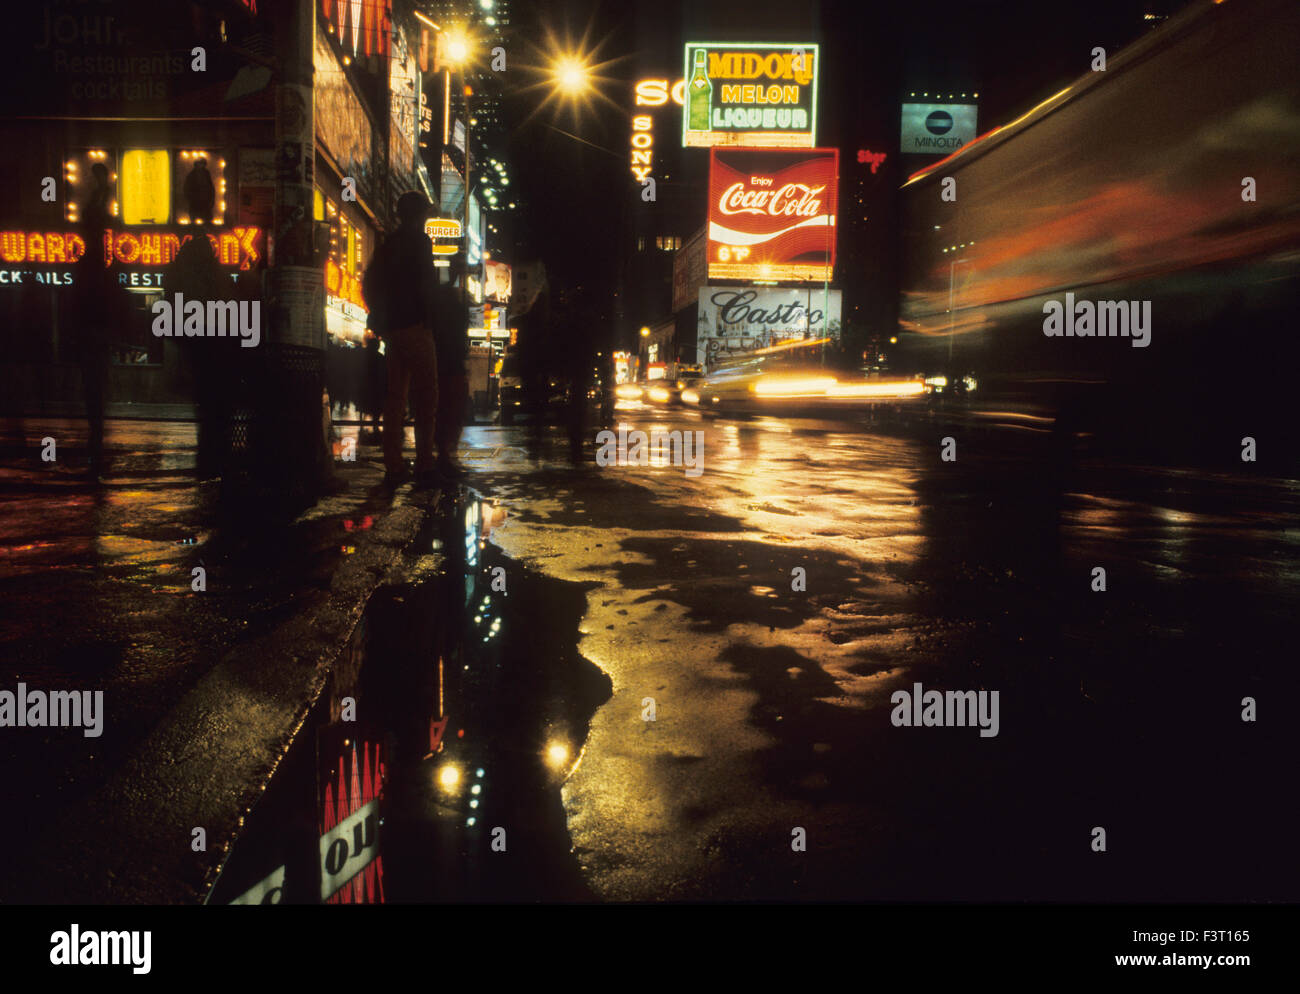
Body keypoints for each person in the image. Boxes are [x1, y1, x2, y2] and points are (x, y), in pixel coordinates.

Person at [362, 191, 439, 488]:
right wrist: (429, 320)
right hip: (415, 327)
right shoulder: (420, 242)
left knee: (395, 398)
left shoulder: (387, 245)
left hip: (392, 330)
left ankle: (393, 464)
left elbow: (369, 282)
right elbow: (426, 285)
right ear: (419, 215)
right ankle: (424, 463)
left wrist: (380, 316)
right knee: (426, 396)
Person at [69, 163, 121, 479]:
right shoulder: (99, 267)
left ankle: (95, 432)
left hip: (91, 328)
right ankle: (96, 432)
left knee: (93, 385)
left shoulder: (89, 268)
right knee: (96, 384)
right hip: (96, 329)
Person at [433, 258, 469, 477]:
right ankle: (444, 454)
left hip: (444, 359)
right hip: (449, 360)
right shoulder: (449, 299)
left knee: (443, 407)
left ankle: (441, 453)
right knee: (449, 408)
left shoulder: (447, 297)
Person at [184, 158, 216, 224]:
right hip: (195, 200)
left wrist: (211, 198)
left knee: (206, 218)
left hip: (205, 200)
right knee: (195, 217)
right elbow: (187, 188)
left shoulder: (206, 173)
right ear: (196, 164)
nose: (202, 166)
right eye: (201, 164)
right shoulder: (192, 175)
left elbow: (210, 186)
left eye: (203, 164)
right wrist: (190, 197)